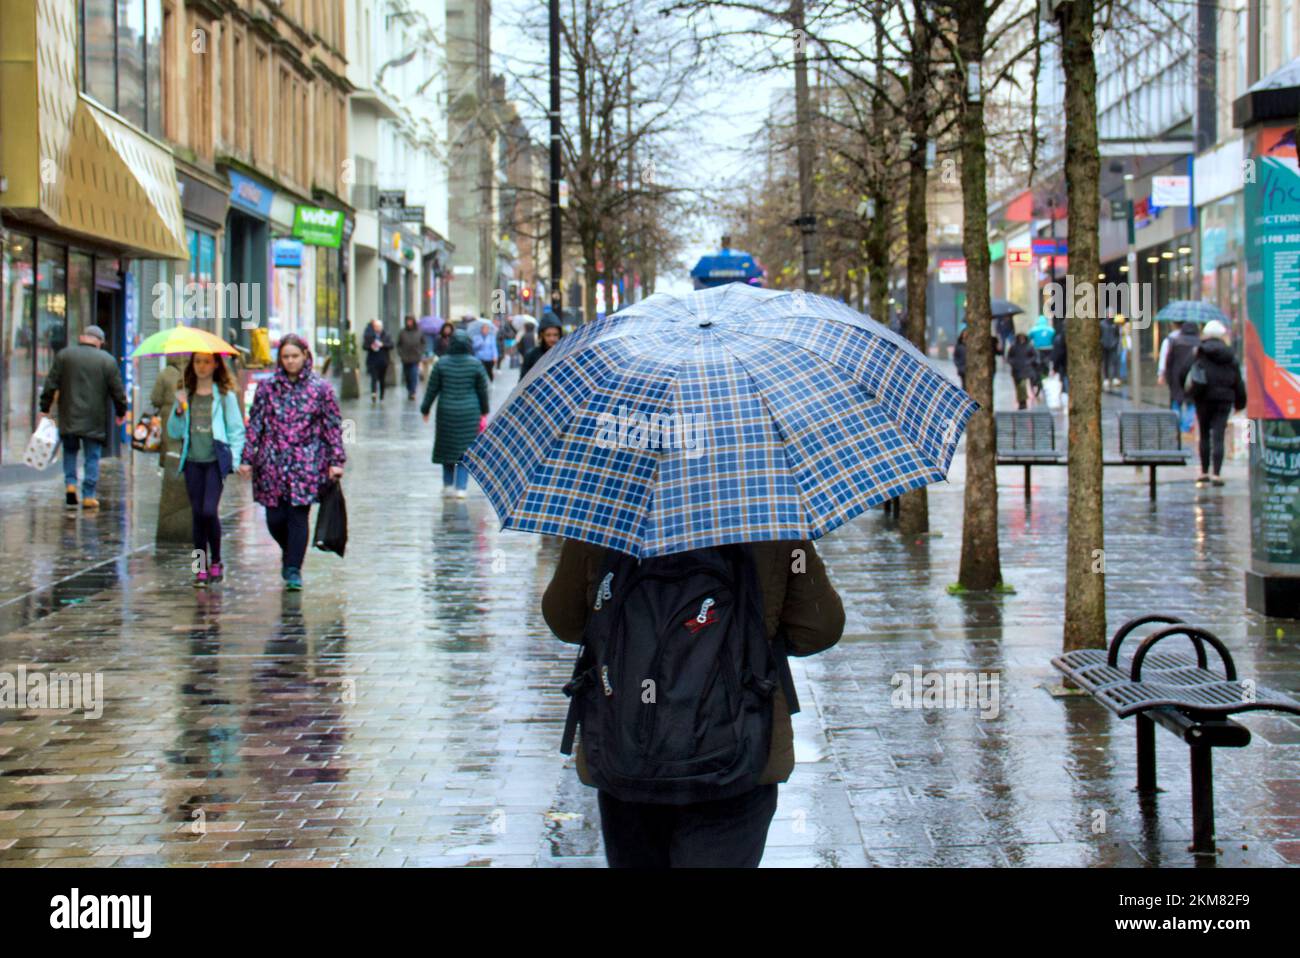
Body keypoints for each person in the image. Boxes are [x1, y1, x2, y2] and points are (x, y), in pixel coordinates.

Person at [542, 538, 844, 867]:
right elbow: (819, 626)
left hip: (625, 746)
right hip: (740, 749)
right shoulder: (771, 516)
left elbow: (565, 619)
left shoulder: (604, 514)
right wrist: (752, 639)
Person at [239, 335, 346, 591]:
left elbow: (332, 426)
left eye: (294, 356)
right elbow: (255, 424)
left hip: (306, 462)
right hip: (272, 462)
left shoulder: (321, 389)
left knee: (298, 515)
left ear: (305, 356)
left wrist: (336, 460)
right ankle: (290, 553)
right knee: (275, 518)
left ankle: (293, 568)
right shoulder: (268, 388)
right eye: (285, 357)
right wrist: (247, 458)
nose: (290, 361)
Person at [168, 352, 246, 586]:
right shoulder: (186, 395)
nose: (202, 367)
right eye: (197, 362)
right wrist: (179, 410)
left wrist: (234, 460)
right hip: (192, 461)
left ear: (215, 365)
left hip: (214, 462)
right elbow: (173, 431)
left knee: (209, 511)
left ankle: (217, 560)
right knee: (197, 515)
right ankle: (199, 567)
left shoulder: (224, 396)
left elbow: (236, 429)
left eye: (207, 362)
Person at [38, 324, 128, 511]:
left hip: (68, 415)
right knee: (92, 457)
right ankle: (88, 495)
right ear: (99, 341)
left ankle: (70, 486)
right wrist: (121, 412)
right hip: (94, 419)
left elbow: (51, 383)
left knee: (70, 452)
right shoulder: (107, 360)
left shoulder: (64, 355)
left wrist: (44, 408)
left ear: (83, 337)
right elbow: (117, 391)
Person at [421, 330, 489, 499]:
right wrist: (484, 410)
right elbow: (483, 390)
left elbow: (432, 389)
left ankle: (447, 484)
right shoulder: (475, 364)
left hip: (446, 411)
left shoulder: (441, 363)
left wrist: (425, 409)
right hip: (469, 412)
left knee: (447, 448)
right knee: (464, 450)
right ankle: (461, 488)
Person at [1186, 320, 1246, 486]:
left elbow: (1187, 371)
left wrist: (1189, 392)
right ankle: (1217, 474)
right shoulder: (1230, 355)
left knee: (1204, 434)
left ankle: (1204, 471)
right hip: (1224, 399)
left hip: (1203, 398)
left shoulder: (1199, 352)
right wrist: (1240, 403)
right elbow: (1237, 381)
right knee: (1219, 435)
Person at [1158, 320, 1201, 432]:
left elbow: (1169, 361)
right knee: (1191, 402)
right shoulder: (1199, 343)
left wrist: (1167, 376)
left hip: (1176, 376)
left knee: (1176, 401)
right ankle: (1186, 428)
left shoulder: (1175, 342)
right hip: (1193, 377)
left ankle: (1176, 425)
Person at [520, 314, 562, 378]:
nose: (552, 339)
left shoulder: (564, 354)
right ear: (542, 335)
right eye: (548, 335)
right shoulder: (531, 356)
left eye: (555, 335)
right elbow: (523, 381)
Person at [362, 318, 393, 402]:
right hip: (373, 360)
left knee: (382, 379)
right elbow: (364, 346)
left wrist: (383, 345)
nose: (377, 328)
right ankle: (374, 393)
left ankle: (382, 394)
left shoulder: (386, 335)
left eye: (378, 326)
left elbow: (391, 345)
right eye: (375, 326)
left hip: (383, 360)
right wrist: (371, 346)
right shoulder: (369, 335)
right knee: (373, 378)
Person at [1007, 332, 1038, 410]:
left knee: (1022, 385)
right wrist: (1013, 363)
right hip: (1016, 370)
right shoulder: (1014, 347)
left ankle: (1023, 402)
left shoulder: (1029, 346)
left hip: (1025, 369)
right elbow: (1009, 357)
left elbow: (1034, 356)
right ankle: (1021, 401)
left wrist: (1029, 362)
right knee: (1018, 386)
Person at [397, 316, 425, 401]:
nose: (409, 323)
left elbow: (423, 343)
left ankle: (412, 391)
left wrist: (420, 351)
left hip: (415, 357)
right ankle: (409, 389)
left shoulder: (419, 332)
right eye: (407, 321)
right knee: (407, 375)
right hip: (405, 357)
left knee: (413, 374)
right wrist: (401, 353)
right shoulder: (402, 332)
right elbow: (398, 344)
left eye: (410, 321)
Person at [1100, 315, 1121, 388]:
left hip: (1113, 346)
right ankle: (1106, 378)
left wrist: (1115, 343)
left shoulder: (1115, 324)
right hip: (1104, 346)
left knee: (1115, 361)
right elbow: (1100, 335)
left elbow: (1117, 335)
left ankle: (1115, 377)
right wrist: (1102, 343)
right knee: (1105, 363)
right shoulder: (1102, 324)